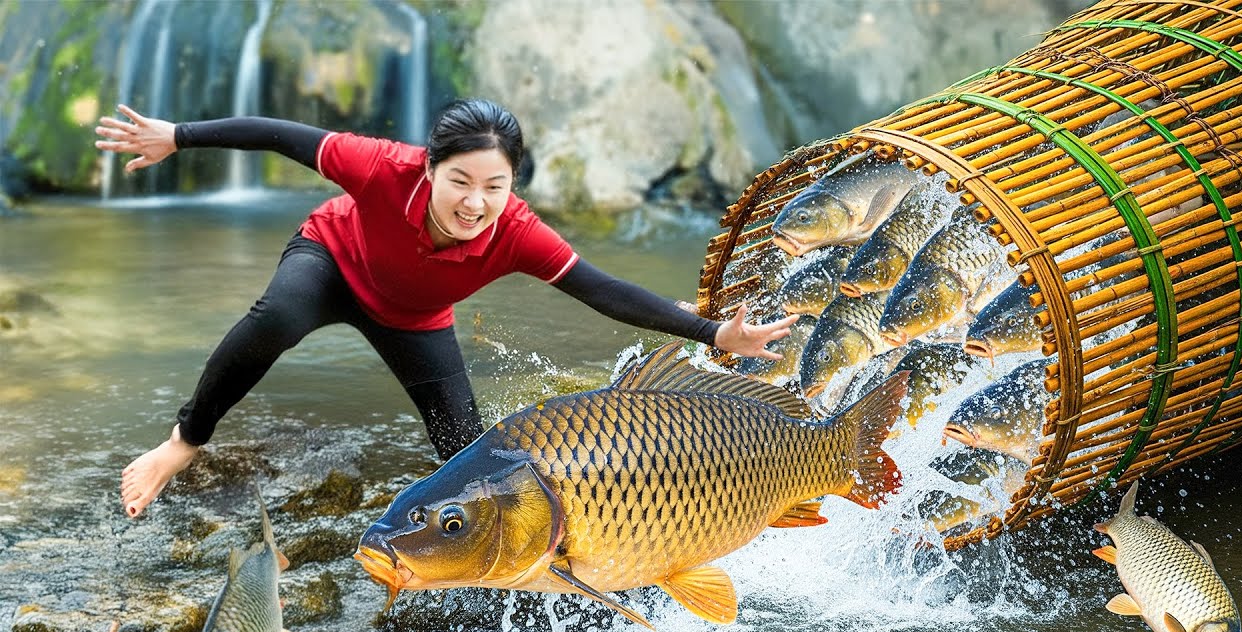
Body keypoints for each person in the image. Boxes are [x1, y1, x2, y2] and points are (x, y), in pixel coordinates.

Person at [94, 99, 799, 518]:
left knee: (472, 465)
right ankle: (182, 444)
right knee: (275, 318)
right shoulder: (377, 165)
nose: (474, 201)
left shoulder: (517, 230)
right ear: (428, 168)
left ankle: (505, 570)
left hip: (414, 318)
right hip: (332, 263)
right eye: (459, 180)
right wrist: (178, 137)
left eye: (494, 185)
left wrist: (714, 333)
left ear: (511, 183)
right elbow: (279, 135)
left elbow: (601, 289)